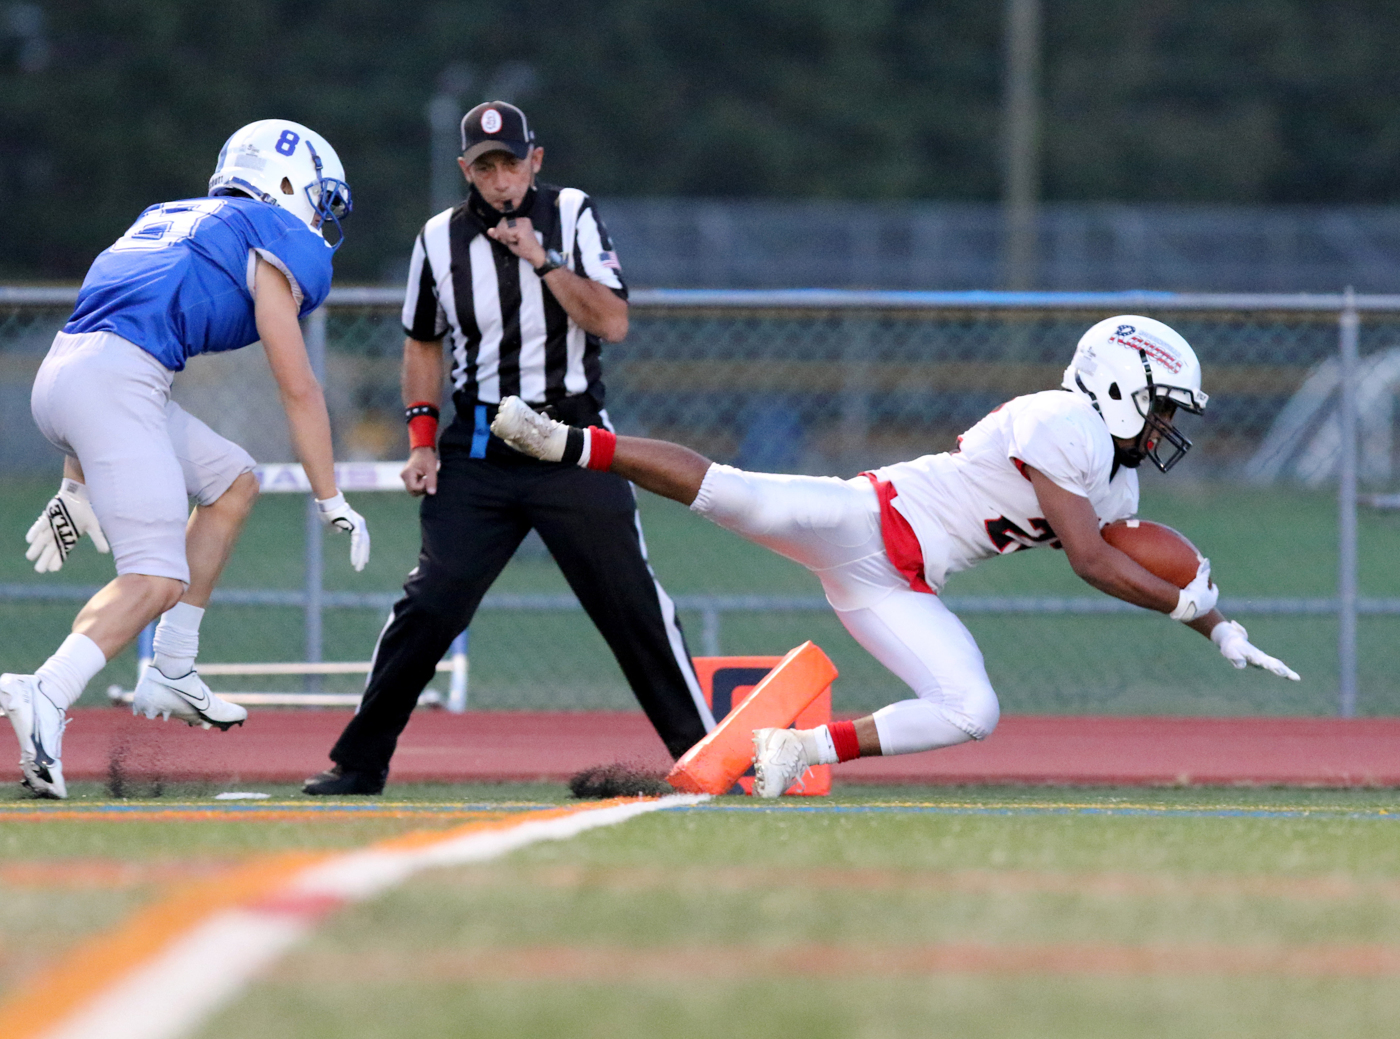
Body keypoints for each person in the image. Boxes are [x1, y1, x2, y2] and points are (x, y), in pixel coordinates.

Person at [489, 315, 1301, 797]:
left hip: (901, 582)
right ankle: (566, 441)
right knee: (735, 492)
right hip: (866, 518)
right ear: (1122, 384)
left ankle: (797, 748)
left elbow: (1125, 556)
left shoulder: (1113, 479)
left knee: (970, 709)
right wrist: (1190, 606)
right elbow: (1090, 561)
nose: (1164, 430)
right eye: (1160, 407)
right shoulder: (1064, 420)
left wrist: (1220, 626)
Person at [303, 101, 712, 796]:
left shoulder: (573, 213)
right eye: (485, 167)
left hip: (573, 439)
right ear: (466, 169)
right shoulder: (437, 238)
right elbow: (423, 341)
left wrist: (544, 261)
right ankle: (359, 762)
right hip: (482, 447)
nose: (500, 180)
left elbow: (613, 321)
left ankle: (708, 756)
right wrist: (423, 440)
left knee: (631, 603)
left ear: (536, 161)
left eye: (512, 163)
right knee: (431, 602)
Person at [2, 120, 370, 800]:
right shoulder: (275, 234)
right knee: (155, 574)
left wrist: (74, 478)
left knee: (232, 479)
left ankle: (171, 665)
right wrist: (331, 496)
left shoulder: (166, 216)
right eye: (317, 198)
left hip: (67, 374)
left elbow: (111, 316)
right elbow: (298, 383)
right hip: (118, 383)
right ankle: (44, 691)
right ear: (284, 184)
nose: (319, 216)